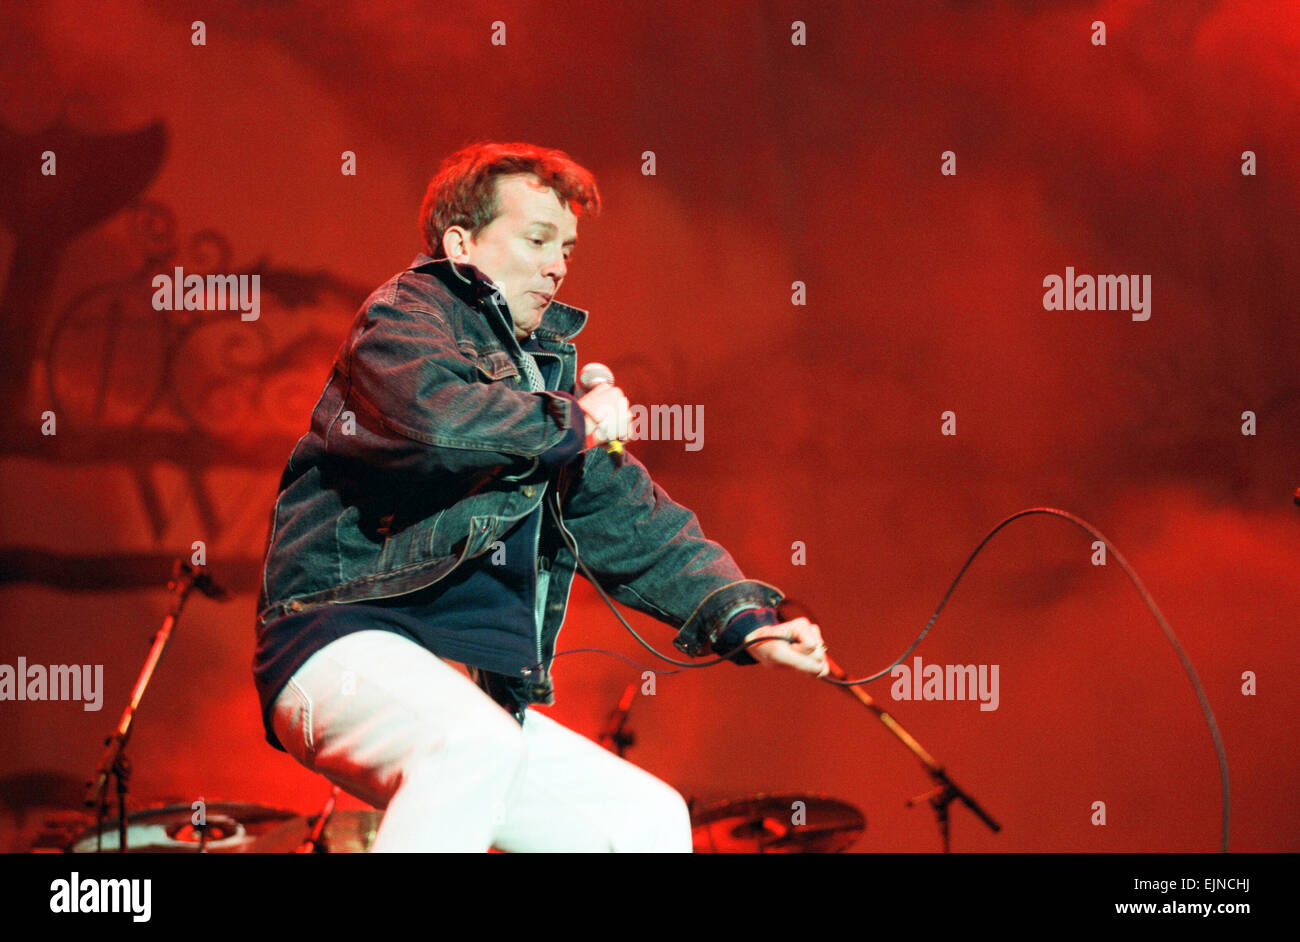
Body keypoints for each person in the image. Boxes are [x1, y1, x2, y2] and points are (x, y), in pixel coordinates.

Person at [252, 141, 828, 852]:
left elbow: (636, 524)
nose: (557, 264)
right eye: (537, 239)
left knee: (646, 820)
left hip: (466, 690)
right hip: (332, 645)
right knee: (471, 745)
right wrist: (574, 421)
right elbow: (434, 422)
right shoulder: (406, 315)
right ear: (461, 243)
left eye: (568, 248)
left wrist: (746, 618)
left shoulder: (545, 395)